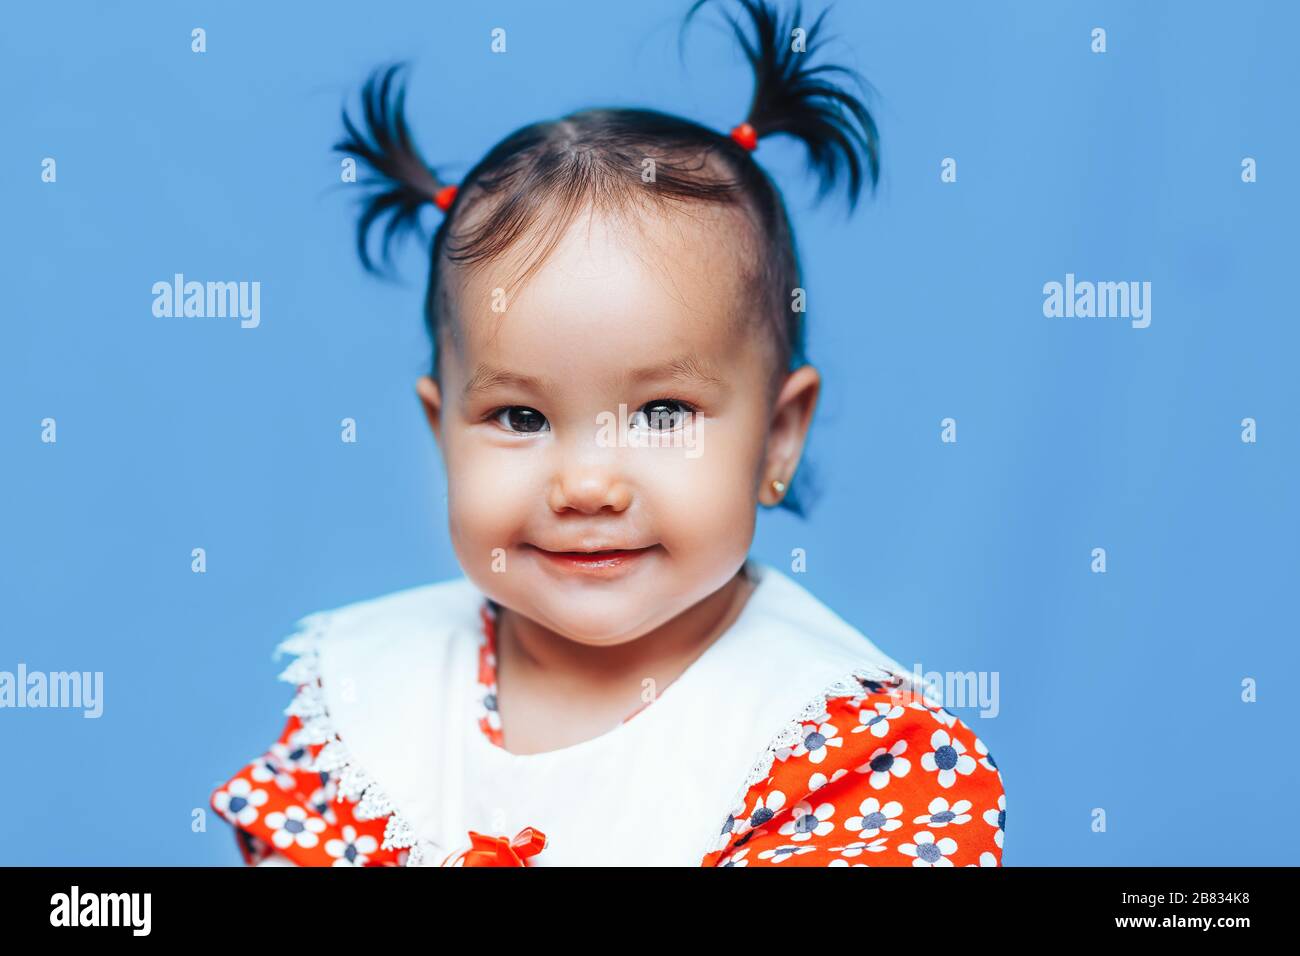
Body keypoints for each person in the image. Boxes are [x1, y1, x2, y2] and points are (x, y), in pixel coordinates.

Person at [210, 0, 1006, 867]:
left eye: (664, 415)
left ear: (779, 437)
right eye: (520, 417)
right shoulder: (375, 698)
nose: (587, 484)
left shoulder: (844, 753)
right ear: (443, 433)